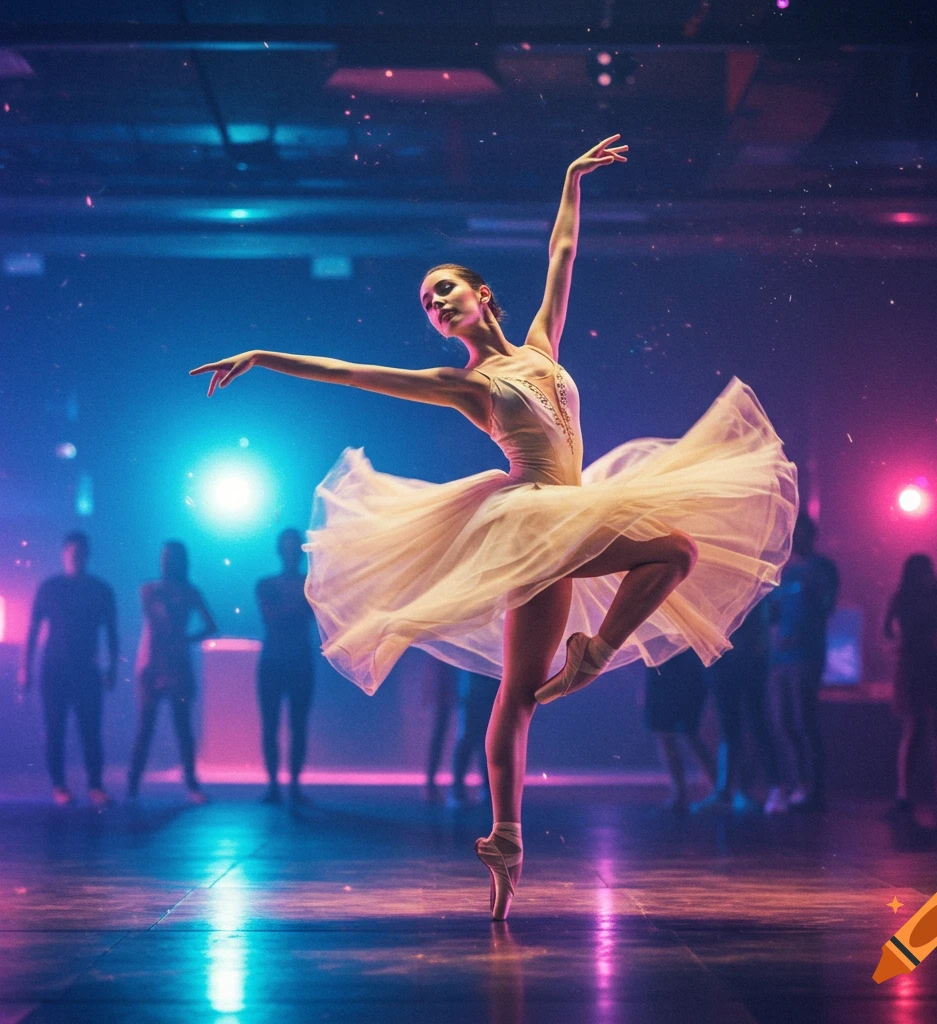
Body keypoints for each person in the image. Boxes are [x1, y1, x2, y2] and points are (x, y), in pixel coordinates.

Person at [192, 135, 799, 919]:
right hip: (531, 518)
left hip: (572, 506)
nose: (437, 305)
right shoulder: (464, 384)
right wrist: (262, 355)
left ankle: (591, 659)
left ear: (482, 295)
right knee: (520, 689)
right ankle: (507, 839)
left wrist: (571, 178)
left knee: (671, 555)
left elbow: (563, 254)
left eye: (445, 290)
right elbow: (353, 374)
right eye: (427, 304)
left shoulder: (542, 346)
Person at [17, 532, 119, 808]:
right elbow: (33, 630)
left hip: (86, 670)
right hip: (55, 671)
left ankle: (95, 786)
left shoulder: (100, 590)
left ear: (87, 555)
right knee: (55, 730)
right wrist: (25, 667)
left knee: (91, 731)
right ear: (64, 555)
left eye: (80, 553)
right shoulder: (50, 588)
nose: (76, 558)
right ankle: (59, 786)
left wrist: (111, 667)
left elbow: (112, 633)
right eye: (72, 553)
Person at [127, 541, 217, 804]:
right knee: (149, 728)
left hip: (171, 664)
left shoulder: (172, 591)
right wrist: (184, 639)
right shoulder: (153, 590)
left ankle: (185, 784)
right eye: (165, 557)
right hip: (155, 664)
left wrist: (185, 640)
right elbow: (160, 621)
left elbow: (210, 625)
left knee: (180, 728)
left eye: (171, 558)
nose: (167, 562)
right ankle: (134, 786)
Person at [768, 512, 839, 813]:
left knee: (803, 719)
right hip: (779, 658)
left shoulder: (823, 568)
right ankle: (798, 784)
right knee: (782, 721)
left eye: (801, 533)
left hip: (806, 656)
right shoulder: (784, 572)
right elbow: (772, 611)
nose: (796, 539)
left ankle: (814, 788)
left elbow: (826, 606)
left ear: (811, 535)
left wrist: (801, 631)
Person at [695, 597, 787, 815]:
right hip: (727, 662)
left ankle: (770, 788)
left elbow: (765, 620)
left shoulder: (752, 589)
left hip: (748, 660)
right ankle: (728, 792)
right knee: (733, 728)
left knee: (755, 725)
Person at [884, 554, 937, 814]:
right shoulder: (909, 598)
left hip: (932, 666)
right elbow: (886, 630)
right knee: (916, 729)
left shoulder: (936, 597)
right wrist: (898, 644)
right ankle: (906, 792)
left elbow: (887, 629)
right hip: (916, 666)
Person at [256, 528, 317, 805]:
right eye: (288, 546)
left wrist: (290, 610)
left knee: (297, 726)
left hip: (295, 661)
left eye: (295, 547)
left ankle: (290, 785)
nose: (291, 552)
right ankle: (277, 785)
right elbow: (273, 616)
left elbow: (280, 615)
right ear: (281, 551)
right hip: (277, 661)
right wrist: (299, 608)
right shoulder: (302, 585)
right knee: (273, 726)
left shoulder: (302, 584)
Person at [643, 652, 716, 813]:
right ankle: (683, 793)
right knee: (673, 733)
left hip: (679, 667)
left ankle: (718, 790)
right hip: (670, 668)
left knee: (685, 733)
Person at [449, 670, 501, 809]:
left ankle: (484, 788)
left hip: (480, 690)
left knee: (485, 739)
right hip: (474, 690)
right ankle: (459, 789)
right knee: (471, 738)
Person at [423, 656, 459, 803]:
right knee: (438, 738)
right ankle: (432, 785)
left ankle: (434, 785)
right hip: (442, 693)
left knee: (439, 739)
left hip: (446, 692)